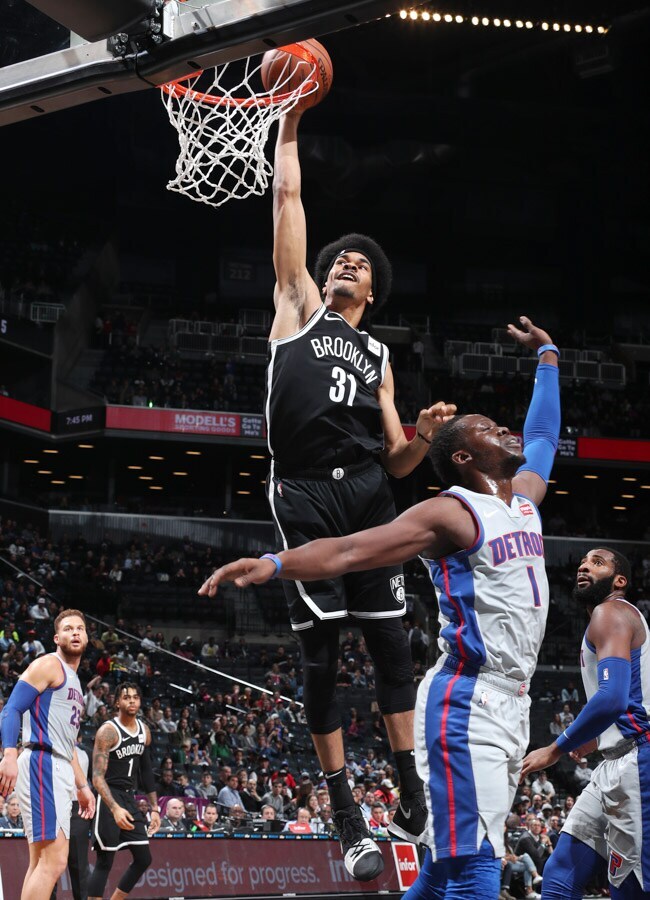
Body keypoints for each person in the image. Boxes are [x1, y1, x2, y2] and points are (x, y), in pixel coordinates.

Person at [200, 316, 561, 899]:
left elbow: (542, 435)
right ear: (466, 457)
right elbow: (349, 550)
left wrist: (549, 357)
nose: (507, 432)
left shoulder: (523, 499)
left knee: (449, 869)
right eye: (492, 429)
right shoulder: (450, 512)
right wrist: (275, 564)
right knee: (475, 870)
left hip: (511, 700)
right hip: (468, 702)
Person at [217, 103, 457, 883]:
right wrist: (285, 129)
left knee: (391, 643)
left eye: (359, 262)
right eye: (339, 257)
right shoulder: (297, 308)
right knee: (321, 661)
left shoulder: (379, 356)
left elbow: (396, 462)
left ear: (374, 291)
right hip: (305, 494)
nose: (345, 261)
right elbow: (287, 202)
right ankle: (343, 806)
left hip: (364, 492)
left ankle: (406, 776)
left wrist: (420, 433)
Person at [521, 548, 649, 899]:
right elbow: (632, 698)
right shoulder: (611, 619)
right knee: (561, 868)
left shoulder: (611, 612)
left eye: (597, 562)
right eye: (582, 561)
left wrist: (554, 748)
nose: (583, 565)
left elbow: (611, 698)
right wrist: (598, 737)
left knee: (631, 887)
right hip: (615, 759)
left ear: (619, 581)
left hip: (638, 762)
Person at [0, 609, 95, 900]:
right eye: (68, 628)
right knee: (53, 862)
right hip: (43, 763)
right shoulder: (49, 665)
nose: (75, 632)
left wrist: (82, 786)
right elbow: (11, 708)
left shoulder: (75, 682)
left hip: (59, 766)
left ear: (87, 637)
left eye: (80, 628)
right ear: (57, 637)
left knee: (42, 862)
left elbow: (67, 744)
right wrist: (9, 755)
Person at [88, 682, 160, 900]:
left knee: (143, 858)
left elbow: (146, 772)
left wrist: (155, 809)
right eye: (127, 697)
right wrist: (115, 808)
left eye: (136, 697)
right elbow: (97, 777)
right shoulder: (108, 731)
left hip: (130, 797)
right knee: (105, 861)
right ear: (117, 701)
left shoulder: (144, 731)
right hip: (109, 797)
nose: (132, 701)